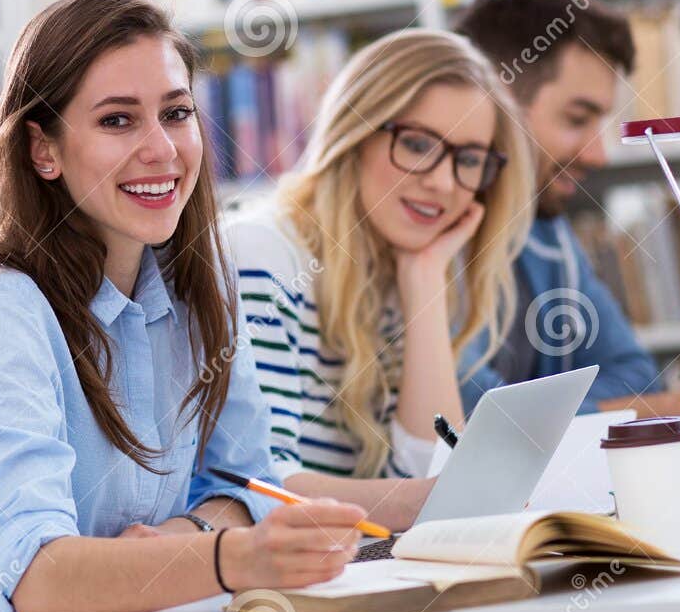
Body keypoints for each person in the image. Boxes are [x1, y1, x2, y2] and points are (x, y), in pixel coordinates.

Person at [0, 0, 367, 612]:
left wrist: (184, 535)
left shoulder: (197, 291)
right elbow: (36, 576)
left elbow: (250, 483)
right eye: (118, 120)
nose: (161, 150)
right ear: (44, 150)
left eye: (176, 113)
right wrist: (227, 555)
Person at [225, 29, 533, 524]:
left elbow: (422, 471)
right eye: (416, 144)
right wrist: (427, 500)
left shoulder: (397, 270)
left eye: (470, 159)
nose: (442, 181)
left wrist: (425, 280)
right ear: (355, 134)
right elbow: (256, 484)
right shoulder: (265, 253)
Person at [454, 0, 674, 415]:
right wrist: (658, 408)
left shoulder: (547, 234)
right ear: (497, 100)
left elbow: (639, 376)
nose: (598, 153)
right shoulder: (426, 234)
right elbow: (474, 411)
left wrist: (546, 415)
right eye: (577, 118)